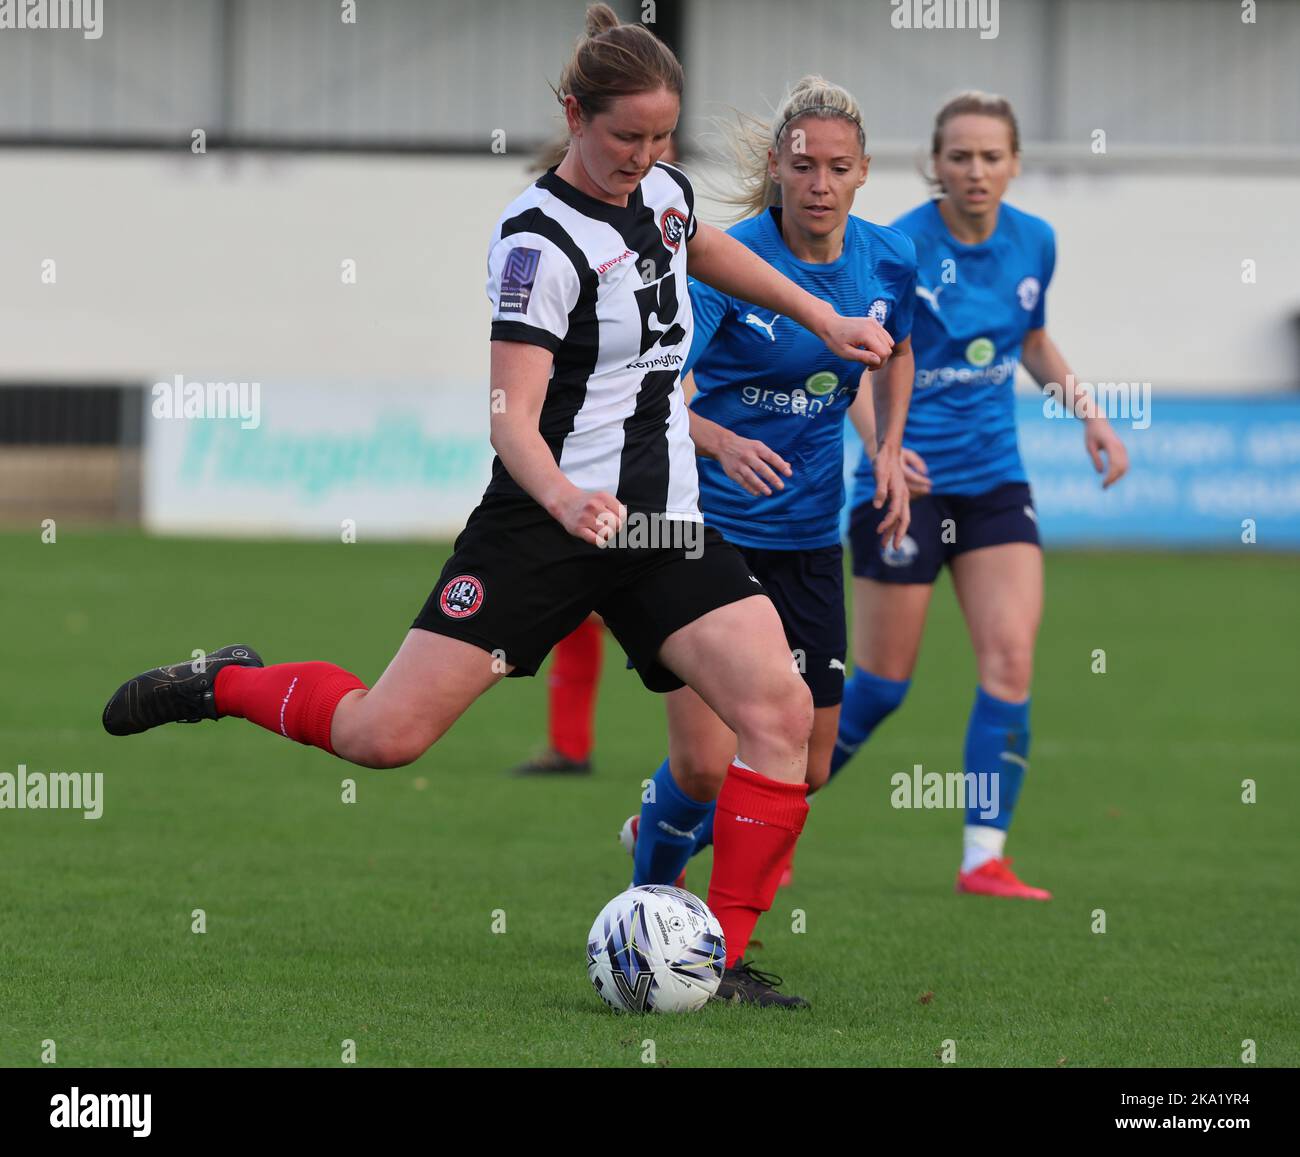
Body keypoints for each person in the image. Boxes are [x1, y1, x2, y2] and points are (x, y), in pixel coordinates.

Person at [100, 4, 894, 1005]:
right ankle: (225, 680)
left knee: (776, 715)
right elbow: (509, 417)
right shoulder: (535, 242)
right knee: (381, 737)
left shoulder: (664, 193)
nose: (641, 157)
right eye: (623, 137)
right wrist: (563, 498)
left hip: (658, 527)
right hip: (544, 527)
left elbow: (703, 247)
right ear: (574, 114)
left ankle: (719, 960)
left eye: (659, 139)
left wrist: (822, 314)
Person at [619, 77, 915, 978]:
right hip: (702, 537)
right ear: (776, 171)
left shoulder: (888, 260)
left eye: (837, 167)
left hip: (807, 543)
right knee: (709, 768)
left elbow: (898, 348)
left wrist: (890, 448)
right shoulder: (726, 264)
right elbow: (659, 386)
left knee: (808, 765)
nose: (819, 183)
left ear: (863, 174)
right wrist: (718, 439)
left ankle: (667, 842)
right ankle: (670, 926)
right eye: (802, 166)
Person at [830, 91, 1130, 900]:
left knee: (1009, 658)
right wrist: (883, 449)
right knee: (880, 689)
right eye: (959, 155)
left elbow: (1031, 338)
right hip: (907, 487)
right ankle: (741, 816)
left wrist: (1090, 416)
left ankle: (983, 858)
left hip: (995, 483)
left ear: (1015, 163)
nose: (975, 170)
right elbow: (861, 355)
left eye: (991, 156)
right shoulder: (895, 247)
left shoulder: (1036, 241)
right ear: (935, 162)